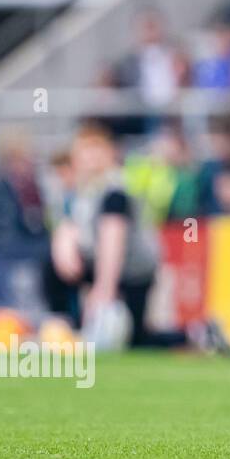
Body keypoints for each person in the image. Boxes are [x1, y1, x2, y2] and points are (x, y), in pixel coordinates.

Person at [46, 122, 183, 347]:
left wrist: (103, 291)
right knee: (50, 264)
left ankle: (196, 335)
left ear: (109, 153)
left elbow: (113, 242)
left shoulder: (114, 190)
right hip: (103, 266)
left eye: (95, 150)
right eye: (84, 152)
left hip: (132, 274)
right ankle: (63, 323)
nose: (89, 159)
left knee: (136, 340)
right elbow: (68, 225)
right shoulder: (82, 192)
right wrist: (64, 239)